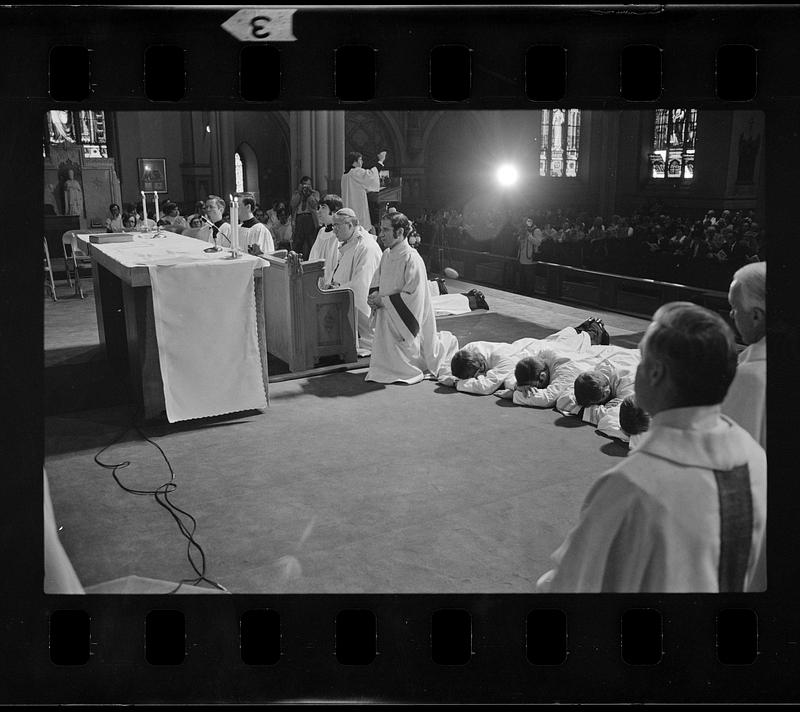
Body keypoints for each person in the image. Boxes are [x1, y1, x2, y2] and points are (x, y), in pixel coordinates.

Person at [537, 302, 766, 592]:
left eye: (641, 361)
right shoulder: (756, 457)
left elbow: (570, 585)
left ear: (655, 374)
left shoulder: (631, 485)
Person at [366, 212, 458, 384]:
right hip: (387, 316)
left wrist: (384, 301)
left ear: (400, 232)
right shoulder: (386, 254)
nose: (381, 234)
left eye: (386, 230)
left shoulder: (412, 258)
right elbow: (377, 280)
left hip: (402, 323)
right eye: (381, 229)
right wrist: (373, 296)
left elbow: (413, 297)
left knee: (405, 362)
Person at [439, 327, 594, 396]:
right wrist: (450, 377)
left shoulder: (502, 360)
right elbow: (445, 368)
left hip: (537, 352)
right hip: (522, 346)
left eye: (477, 375)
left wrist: (455, 383)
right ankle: (582, 328)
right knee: (563, 336)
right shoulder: (470, 349)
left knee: (578, 346)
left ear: (481, 367)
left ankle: (593, 330)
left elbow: (486, 386)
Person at [326, 208, 383, 355]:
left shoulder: (367, 247)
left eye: (337, 226)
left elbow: (362, 285)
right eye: (333, 226)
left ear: (351, 225)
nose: (334, 230)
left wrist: (336, 289)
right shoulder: (351, 243)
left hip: (365, 321)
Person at [721, 262, 766, 448]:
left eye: (735, 307)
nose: (732, 314)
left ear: (756, 316)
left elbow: (731, 454)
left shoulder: (750, 377)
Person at [341, 151, 383, 234]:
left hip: (348, 207)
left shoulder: (345, 175)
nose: (362, 162)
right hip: (358, 207)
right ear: (354, 161)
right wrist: (380, 161)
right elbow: (370, 176)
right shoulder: (356, 172)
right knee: (360, 230)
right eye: (360, 159)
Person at [309, 194, 345, 287]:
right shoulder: (321, 232)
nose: (318, 211)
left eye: (323, 207)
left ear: (334, 211)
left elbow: (338, 260)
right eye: (319, 207)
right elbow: (313, 257)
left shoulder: (339, 234)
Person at [289, 176, 320, 260]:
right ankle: (295, 259)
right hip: (299, 218)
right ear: (301, 185)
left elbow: (314, 205)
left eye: (309, 185)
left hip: (310, 218)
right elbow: (293, 204)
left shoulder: (315, 193)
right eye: (305, 185)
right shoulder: (297, 193)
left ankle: (313, 259)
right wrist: (300, 192)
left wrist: (309, 194)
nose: (306, 187)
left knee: (311, 241)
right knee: (298, 241)